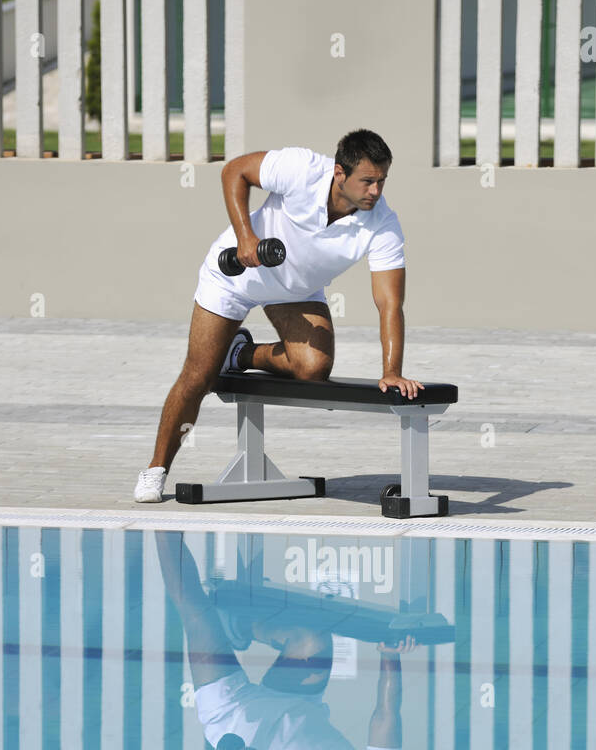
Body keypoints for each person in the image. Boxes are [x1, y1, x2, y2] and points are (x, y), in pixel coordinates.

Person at [134, 128, 423, 502]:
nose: (375, 192)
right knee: (199, 375)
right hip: (236, 274)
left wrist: (391, 370)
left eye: (381, 181)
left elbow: (389, 303)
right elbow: (234, 171)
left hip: (296, 291)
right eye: (367, 181)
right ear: (340, 173)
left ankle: (239, 353)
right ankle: (156, 469)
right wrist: (245, 236)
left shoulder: (382, 223)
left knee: (313, 368)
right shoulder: (301, 168)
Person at [156, 532, 415, 750]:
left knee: (194, 607)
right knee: (313, 639)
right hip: (295, 700)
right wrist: (390, 657)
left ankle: (163, 523)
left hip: (234, 718)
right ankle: (239, 625)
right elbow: (386, 716)